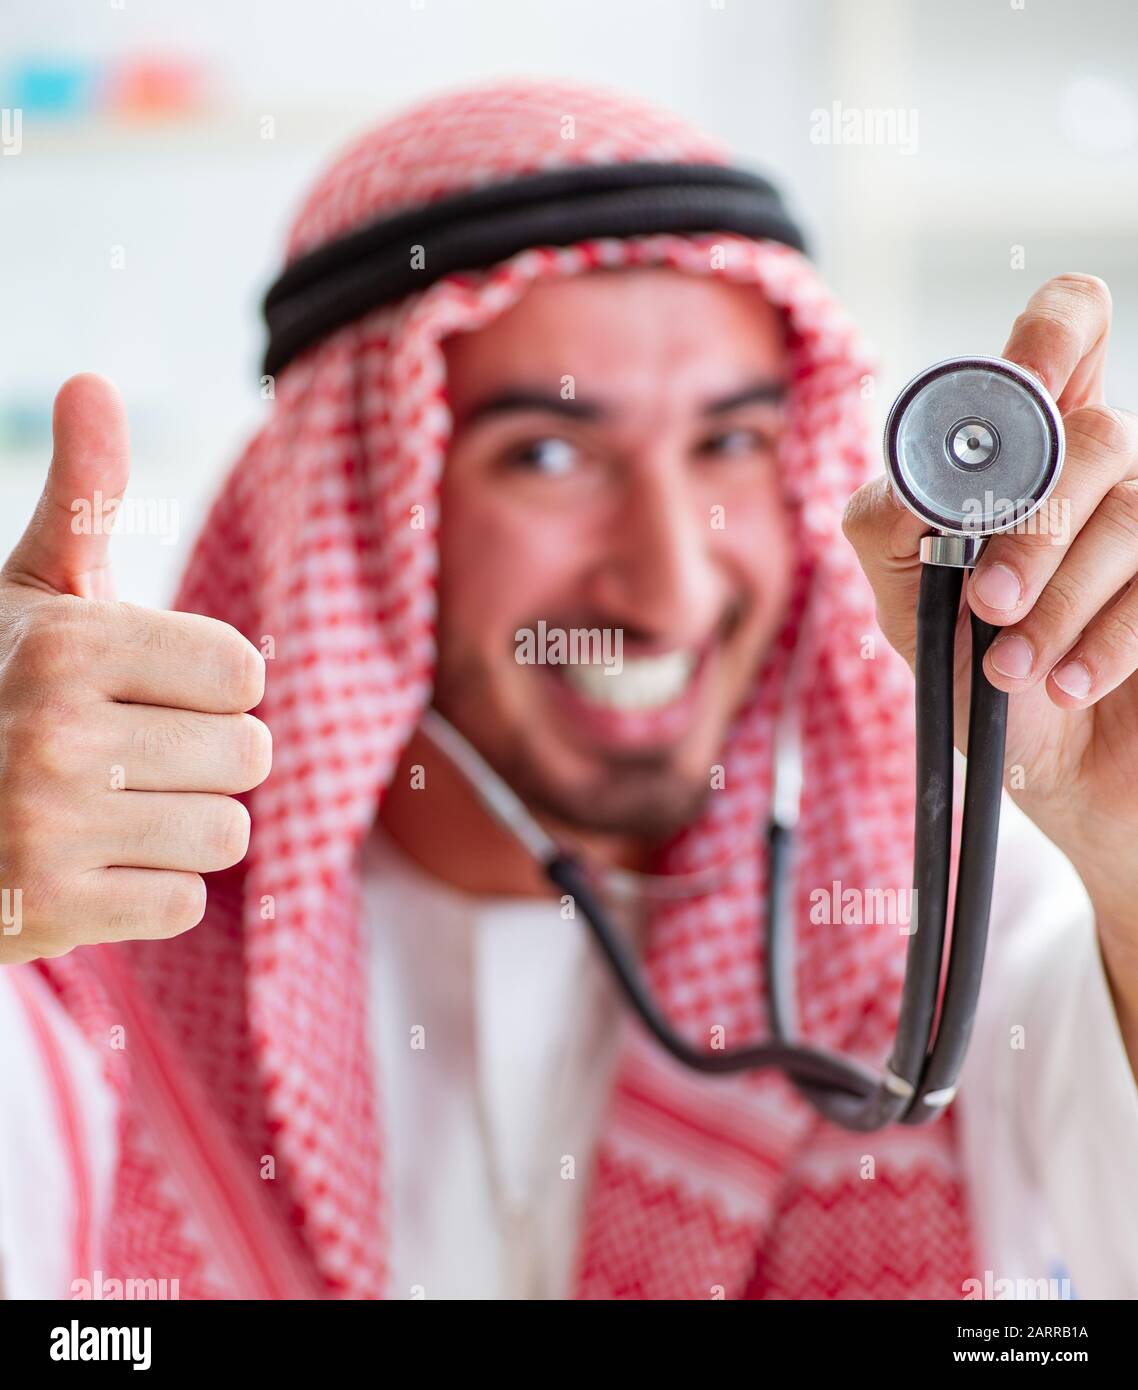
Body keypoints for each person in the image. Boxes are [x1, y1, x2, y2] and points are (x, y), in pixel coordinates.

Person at [1, 79, 1137, 1301]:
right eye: (549, 454)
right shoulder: (73, 946)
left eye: (730, 443)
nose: (668, 578)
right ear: (360, 506)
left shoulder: (960, 920)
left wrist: (1126, 842)